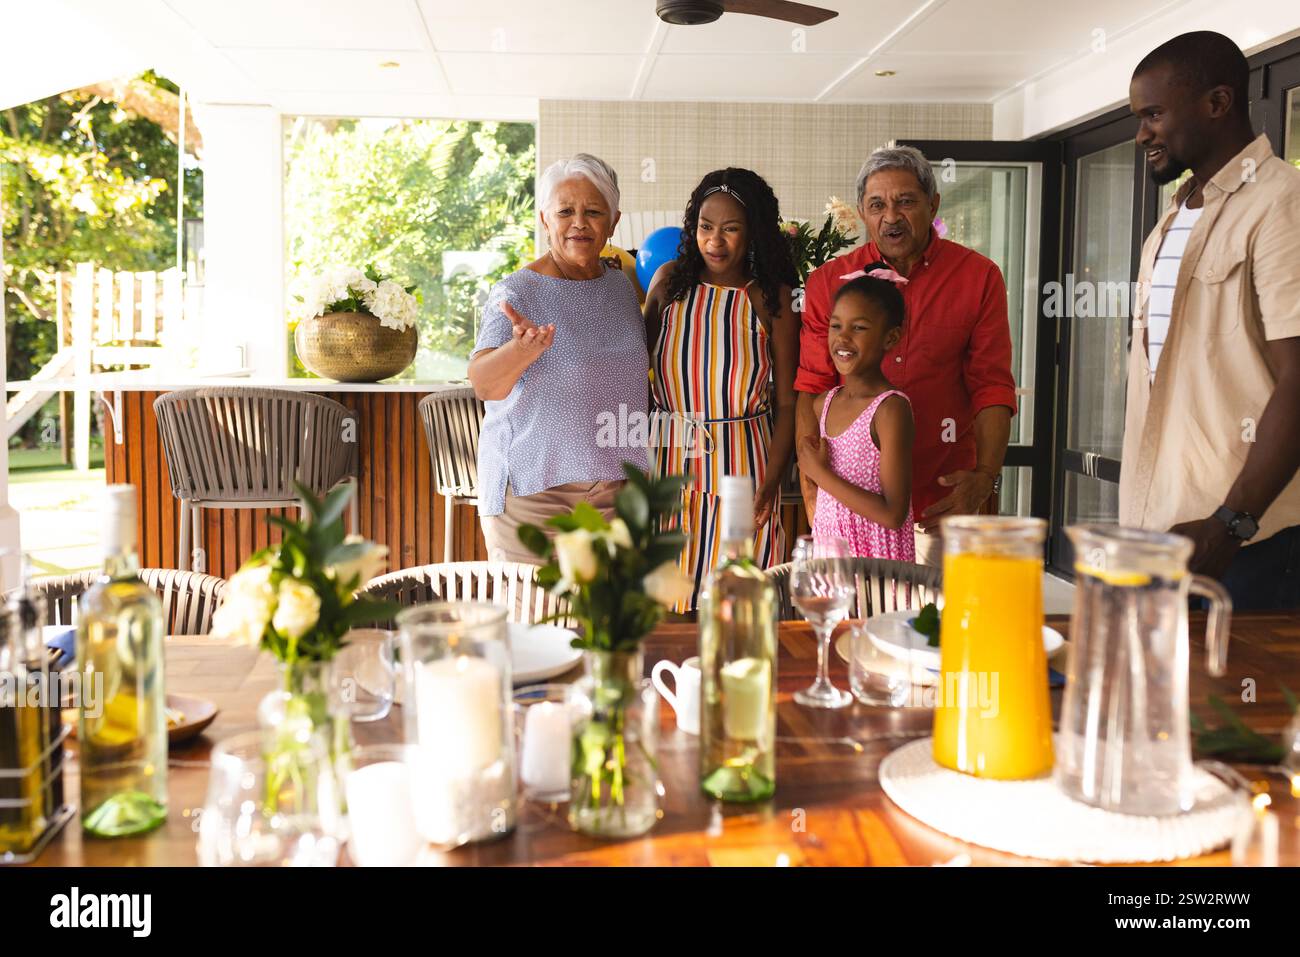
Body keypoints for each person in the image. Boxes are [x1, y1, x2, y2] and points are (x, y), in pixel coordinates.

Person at [1123, 32, 1300, 609]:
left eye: (1153, 114)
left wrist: (1231, 523)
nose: (1142, 132)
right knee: (1156, 700)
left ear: (1218, 103)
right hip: (1157, 539)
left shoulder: (1280, 204)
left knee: (1236, 702)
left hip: (1245, 547)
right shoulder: (1171, 221)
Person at [794, 146, 1017, 566]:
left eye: (906, 202)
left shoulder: (978, 277)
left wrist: (984, 478)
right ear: (861, 211)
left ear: (933, 204)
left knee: (945, 628)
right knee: (855, 628)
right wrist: (814, 498)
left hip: (945, 504)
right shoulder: (828, 283)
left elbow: (992, 386)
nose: (891, 217)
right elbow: (813, 388)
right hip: (852, 515)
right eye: (877, 204)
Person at [468, 153, 648, 563]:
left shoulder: (620, 287)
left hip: (614, 492)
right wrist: (521, 351)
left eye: (593, 211)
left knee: (603, 625)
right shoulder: (516, 292)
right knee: (536, 623)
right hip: (535, 494)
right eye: (565, 211)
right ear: (545, 219)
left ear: (614, 221)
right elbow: (483, 383)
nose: (579, 222)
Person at [643, 168, 798, 610]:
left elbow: (788, 402)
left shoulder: (772, 299)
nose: (715, 240)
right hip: (670, 463)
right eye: (706, 227)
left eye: (730, 229)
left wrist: (770, 482)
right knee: (666, 607)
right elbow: (636, 377)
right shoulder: (669, 283)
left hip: (743, 467)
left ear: (753, 234)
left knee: (739, 607)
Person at [797, 270, 915, 560]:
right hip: (832, 565)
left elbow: (892, 514)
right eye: (836, 326)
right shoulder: (823, 404)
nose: (843, 338)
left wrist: (819, 474)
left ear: (891, 337)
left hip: (877, 569)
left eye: (859, 328)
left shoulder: (890, 410)